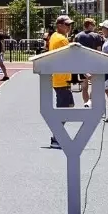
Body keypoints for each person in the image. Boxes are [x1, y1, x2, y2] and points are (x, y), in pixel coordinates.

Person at [47, 16, 73, 148]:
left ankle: (57, 135)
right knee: (65, 109)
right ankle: (56, 137)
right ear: (59, 25)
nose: (69, 27)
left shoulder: (54, 36)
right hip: (62, 78)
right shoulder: (61, 39)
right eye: (66, 24)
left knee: (67, 107)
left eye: (70, 24)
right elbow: (70, 58)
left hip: (61, 78)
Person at [74, 18, 105, 107]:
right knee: (95, 85)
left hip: (81, 63)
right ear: (90, 25)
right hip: (93, 63)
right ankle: (90, 101)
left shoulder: (78, 36)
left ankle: (86, 102)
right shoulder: (96, 36)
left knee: (84, 87)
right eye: (94, 25)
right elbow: (99, 51)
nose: (95, 27)